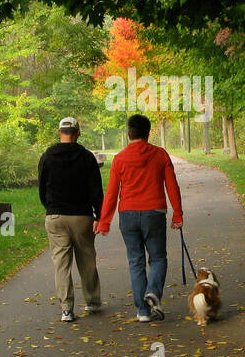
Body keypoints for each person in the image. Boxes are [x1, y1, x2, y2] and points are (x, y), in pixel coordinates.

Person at [95, 113, 183, 323]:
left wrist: (104, 220)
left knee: (136, 262)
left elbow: (112, 193)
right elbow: (172, 185)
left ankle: (142, 311)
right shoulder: (160, 154)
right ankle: (153, 291)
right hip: (155, 213)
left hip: (128, 215)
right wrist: (177, 213)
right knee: (158, 258)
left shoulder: (120, 159)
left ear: (128, 134)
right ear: (148, 132)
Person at [38, 116, 104, 323]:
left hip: (55, 216)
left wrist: (50, 208)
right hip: (81, 216)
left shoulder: (47, 156)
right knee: (87, 260)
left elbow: (42, 188)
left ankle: (66, 309)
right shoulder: (86, 157)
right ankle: (92, 302)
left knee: (61, 264)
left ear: (59, 133)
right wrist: (99, 215)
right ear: (77, 133)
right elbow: (96, 189)